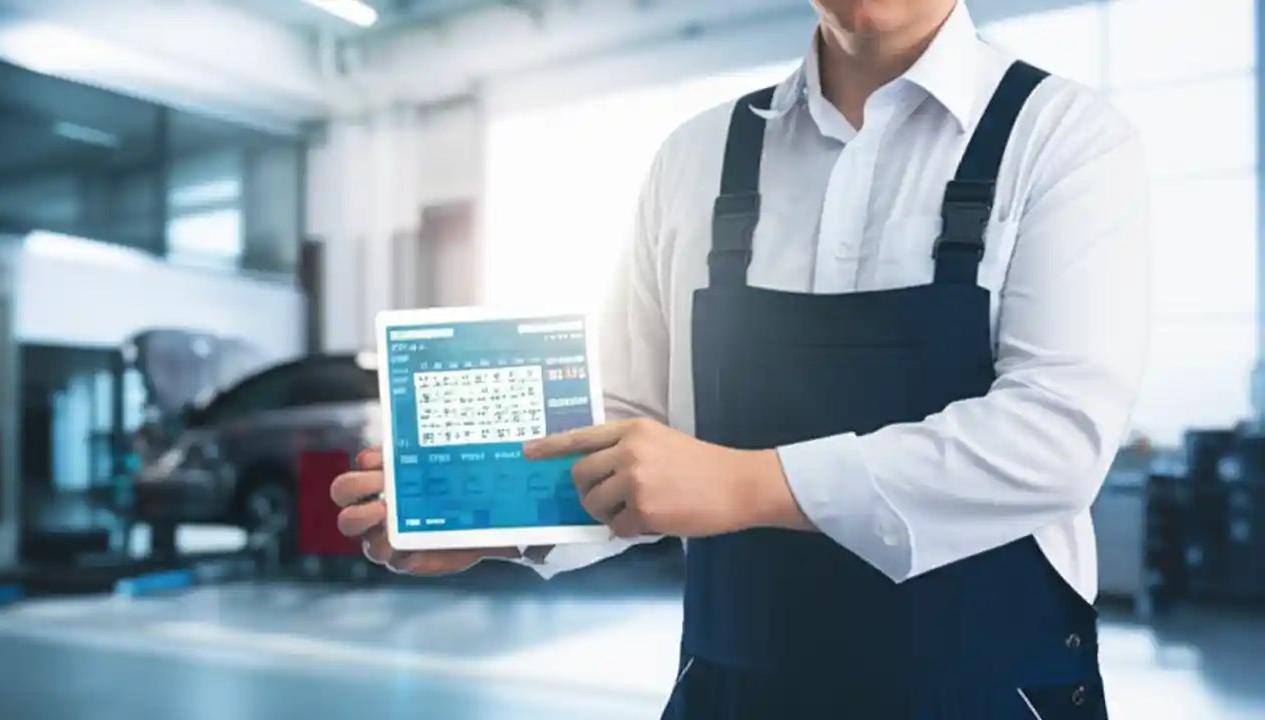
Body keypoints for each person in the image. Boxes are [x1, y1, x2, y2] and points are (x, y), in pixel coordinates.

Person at [330, 0, 1148, 716]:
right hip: (735, 695)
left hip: (986, 696)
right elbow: (634, 420)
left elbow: (1055, 438)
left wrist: (745, 484)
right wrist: (494, 521)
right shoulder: (693, 160)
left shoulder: (1062, 138)